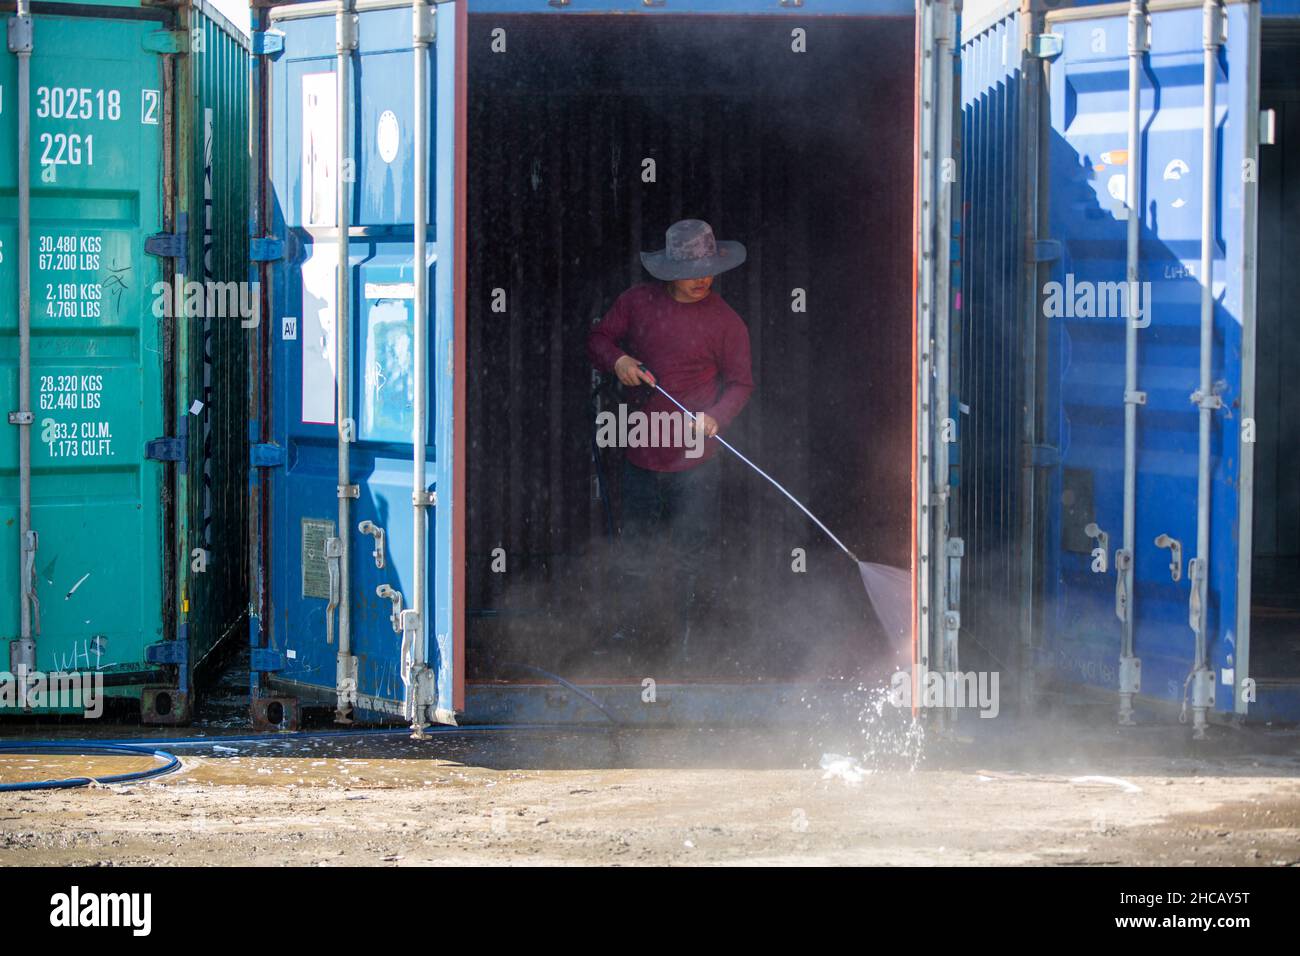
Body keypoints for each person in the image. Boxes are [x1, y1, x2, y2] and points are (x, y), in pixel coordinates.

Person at [587, 219, 755, 666]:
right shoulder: (637, 303)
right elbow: (598, 339)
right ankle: (633, 639)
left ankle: (689, 646)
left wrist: (717, 417)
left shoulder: (726, 322)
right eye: (692, 270)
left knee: (691, 554)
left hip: (698, 457)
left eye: (709, 269)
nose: (703, 279)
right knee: (637, 550)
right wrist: (618, 359)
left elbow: (741, 384)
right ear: (667, 271)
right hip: (642, 450)